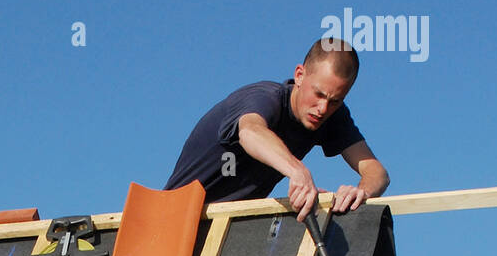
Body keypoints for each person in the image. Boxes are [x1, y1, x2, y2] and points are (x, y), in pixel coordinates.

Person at [165, 37, 389, 221]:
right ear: (300, 75)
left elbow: (377, 172)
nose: (323, 108)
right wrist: (298, 171)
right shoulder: (264, 98)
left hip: (229, 224)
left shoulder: (332, 117)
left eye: (335, 100)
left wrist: (360, 193)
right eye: (319, 94)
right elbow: (250, 131)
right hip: (172, 219)